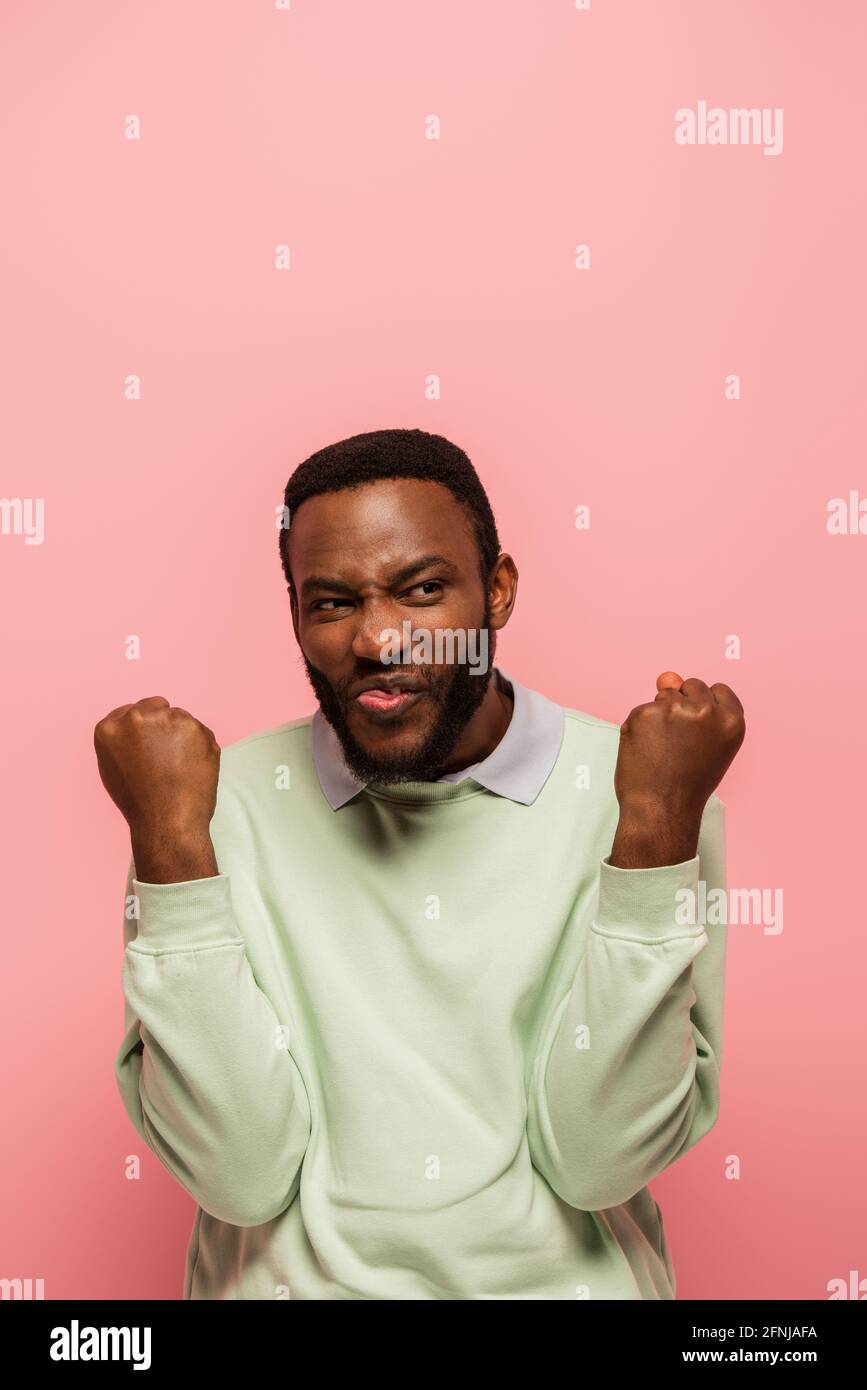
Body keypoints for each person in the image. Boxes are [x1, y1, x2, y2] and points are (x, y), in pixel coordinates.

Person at [95, 427, 745, 1299]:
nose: (378, 638)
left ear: (498, 590)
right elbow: (240, 1175)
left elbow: (598, 1161)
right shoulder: (200, 806)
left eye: (423, 590)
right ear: (294, 615)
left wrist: (657, 828)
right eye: (329, 603)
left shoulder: (648, 795)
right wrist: (171, 850)